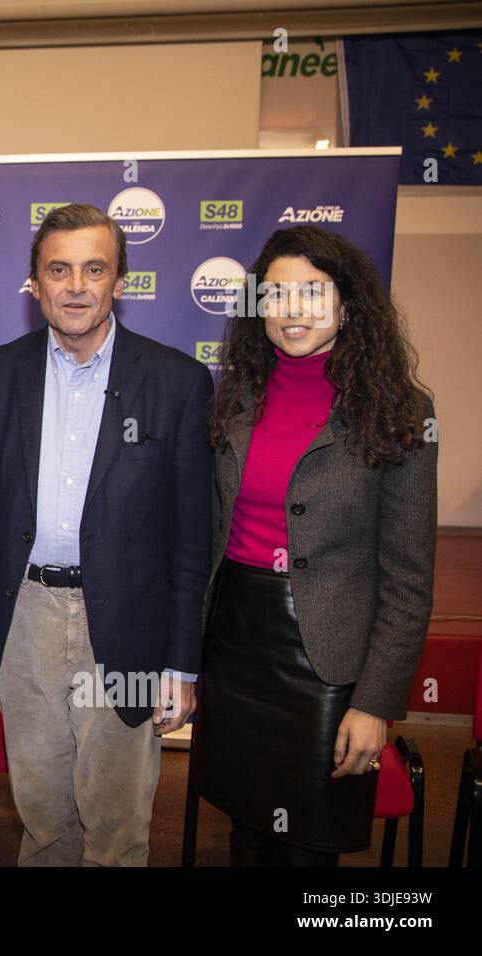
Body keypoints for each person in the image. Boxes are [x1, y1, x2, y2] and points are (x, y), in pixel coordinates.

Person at [0, 202, 212, 866]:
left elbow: (193, 539)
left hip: (128, 625)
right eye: (58, 270)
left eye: (94, 269)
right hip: (23, 621)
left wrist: (182, 664)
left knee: (116, 829)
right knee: (44, 824)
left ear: (120, 282)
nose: (76, 286)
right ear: (34, 284)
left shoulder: (177, 384)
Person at [191, 225, 437, 866]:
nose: (291, 309)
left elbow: (409, 577)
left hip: (325, 662)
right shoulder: (235, 399)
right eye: (275, 295)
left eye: (311, 292)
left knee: (309, 844)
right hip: (237, 644)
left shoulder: (401, 413)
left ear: (348, 304)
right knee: (246, 829)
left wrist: (376, 702)